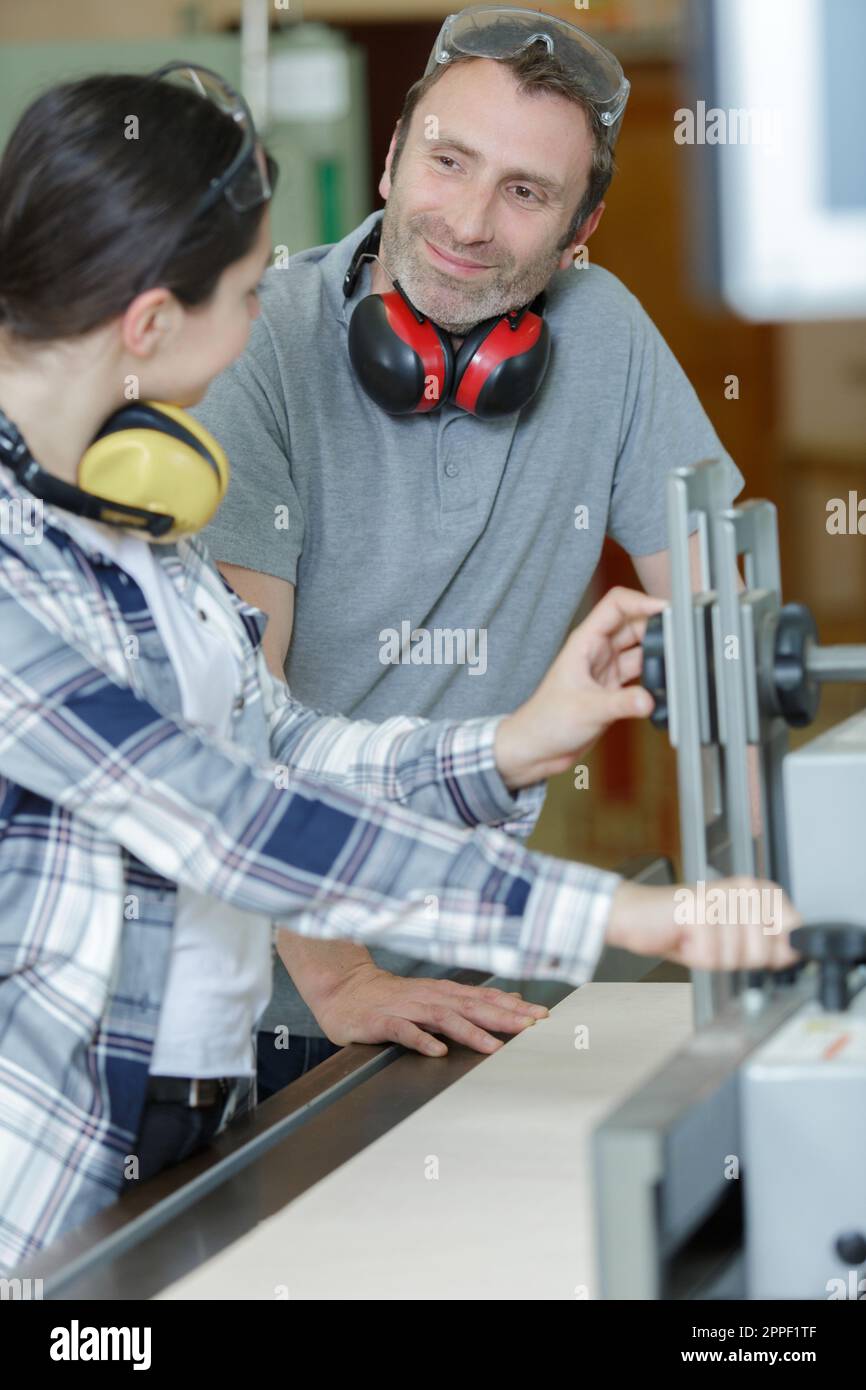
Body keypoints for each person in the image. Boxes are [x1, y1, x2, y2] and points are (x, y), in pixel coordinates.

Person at [0, 63, 798, 1275]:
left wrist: (517, 739)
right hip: (42, 1187)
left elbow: (274, 744)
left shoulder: (128, 536)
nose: (271, 313)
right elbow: (241, 821)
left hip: (172, 1143)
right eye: (246, 291)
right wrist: (632, 913)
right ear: (153, 325)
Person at [192, 7, 749, 1094]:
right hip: (253, 987)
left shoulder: (605, 340)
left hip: (466, 957)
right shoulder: (257, 343)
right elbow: (234, 721)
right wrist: (341, 979)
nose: (468, 221)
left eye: (525, 192)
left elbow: (716, 620)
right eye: (448, 162)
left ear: (577, 229)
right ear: (395, 158)